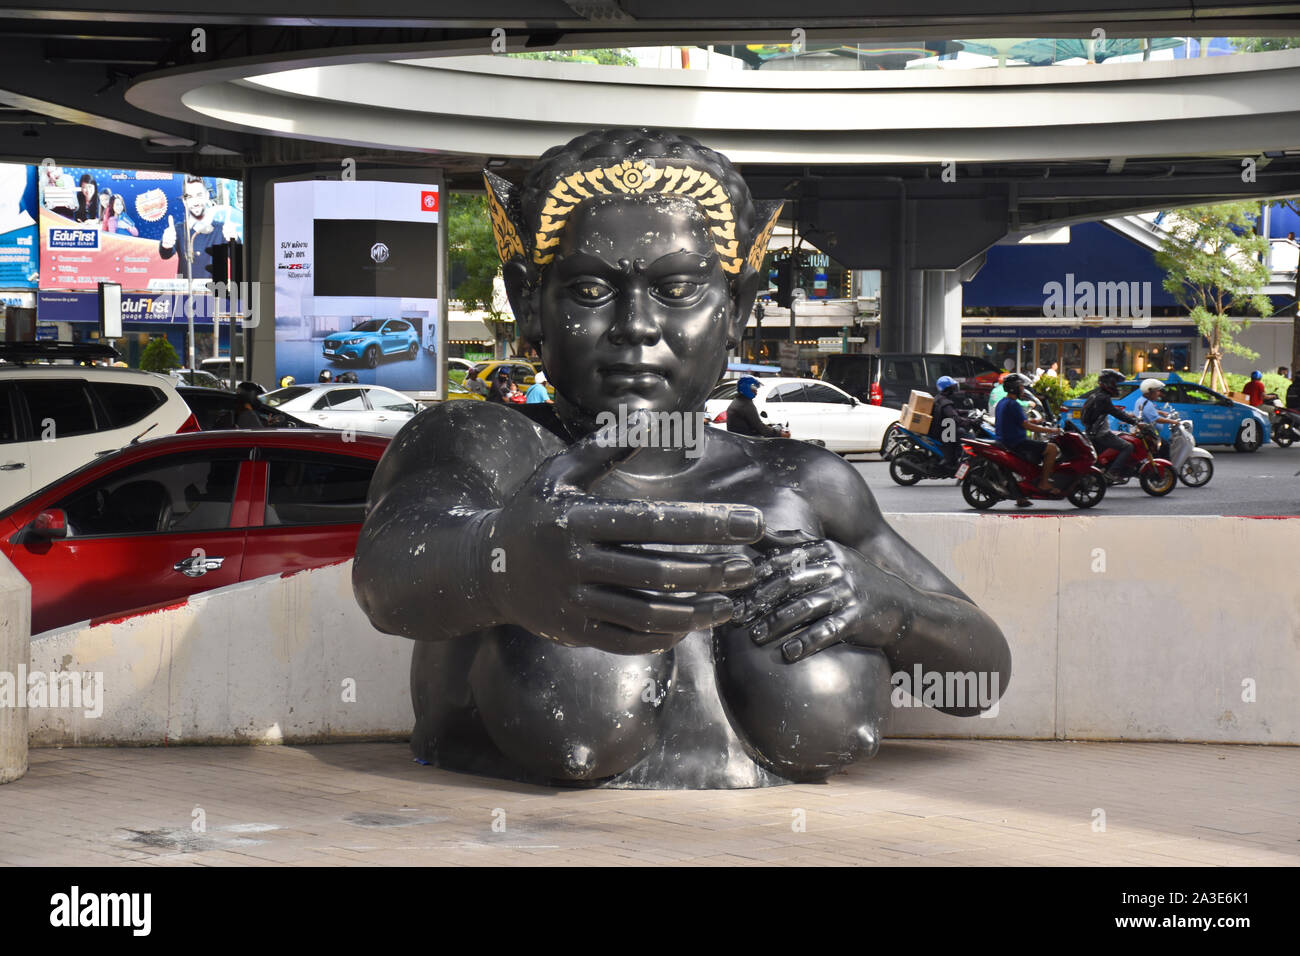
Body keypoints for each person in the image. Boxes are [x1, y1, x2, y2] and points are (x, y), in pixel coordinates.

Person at [351, 127, 1009, 788]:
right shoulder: (485, 447)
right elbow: (387, 574)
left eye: (677, 291)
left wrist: (888, 607)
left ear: (737, 307)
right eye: (589, 291)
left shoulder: (805, 484)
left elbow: (981, 679)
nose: (636, 326)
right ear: (529, 301)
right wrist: (496, 561)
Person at [995, 372, 1062, 505]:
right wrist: (1052, 430)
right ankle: (1044, 483)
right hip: (1017, 442)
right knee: (1052, 449)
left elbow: (1017, 421)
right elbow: (1026, 426)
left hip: (1005, 441)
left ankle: (1021, 497)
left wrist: (1035, 421)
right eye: (1021, 387)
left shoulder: (1003, 402)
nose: (1023, 389)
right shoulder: (1014, 404)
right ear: (1014, 388)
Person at [159, 175, 238, 282]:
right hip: (186, 296)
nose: (195, 202)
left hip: (217, 295)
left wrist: (235, 241)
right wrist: (165, 244)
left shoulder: (222, 230)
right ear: (184, 201)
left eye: (199, 195)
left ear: (206, 196)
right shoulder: (179, 229)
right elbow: (165, 254)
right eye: (190, 197)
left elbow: (238, 259)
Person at [1082, 368, 1140, 481]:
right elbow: (1115, 412)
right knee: (1128, 446)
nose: (1117, 387)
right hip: (1100, 433)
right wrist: (1135, 422)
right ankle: (1112, 472)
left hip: (1092, 431)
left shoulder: (1096, 395)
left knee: (1120, 436)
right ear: (1109, 383)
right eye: (1115, 383)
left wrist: (1128, 415)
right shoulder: (1103, 398)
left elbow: (1111, 409)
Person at [1134, 378, 1180, 456]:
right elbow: (1157, 419)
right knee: (1165, 448)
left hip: (1147, 434)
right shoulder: (1147, 403)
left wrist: (1161, 412)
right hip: (1148, 435)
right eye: (1156, 391)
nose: (1158, 393)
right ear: (1149, 392)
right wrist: (1173, 422)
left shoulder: (1142, 400)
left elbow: (1148, 411)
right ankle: (1165, 468)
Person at [928, 375, 965, 470]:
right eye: (952, 387)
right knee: (961, 432)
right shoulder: (945, 402)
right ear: (947, 388)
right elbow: (954, 417)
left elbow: (953, 411)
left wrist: (967, 412)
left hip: (938, 429)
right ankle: (952, 460)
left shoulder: (939, 398)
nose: (954, 389)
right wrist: (971, 421)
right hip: (942, 431)